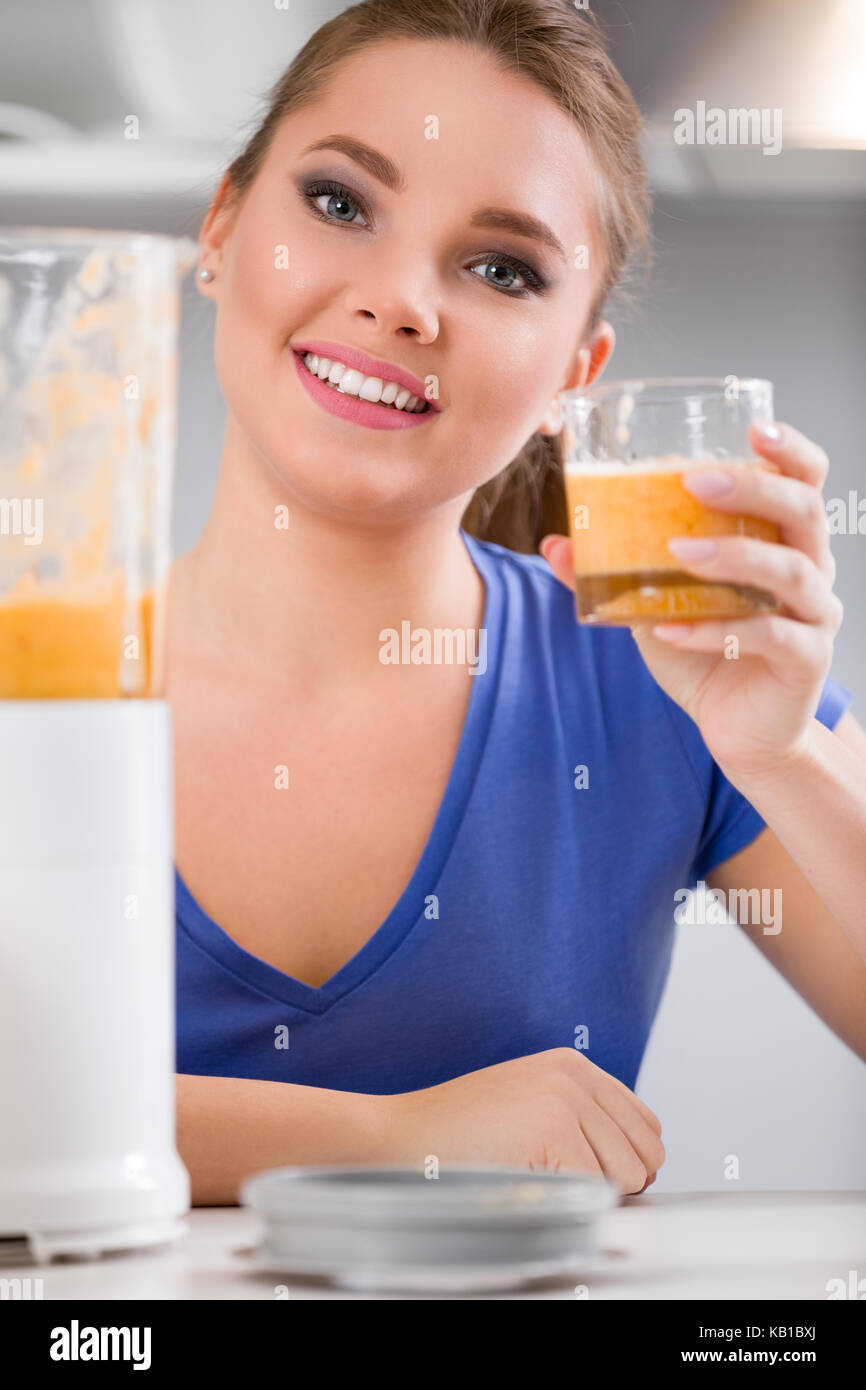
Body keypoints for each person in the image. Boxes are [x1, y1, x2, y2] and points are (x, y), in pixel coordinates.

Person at [168, 0, 866, 1206]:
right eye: (339, 202)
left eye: (501, 268)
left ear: (573, 378)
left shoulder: (651, 675)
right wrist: (400, 1143)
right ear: (222, 225)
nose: (400, 302)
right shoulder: (35, 668)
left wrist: (786, 752)